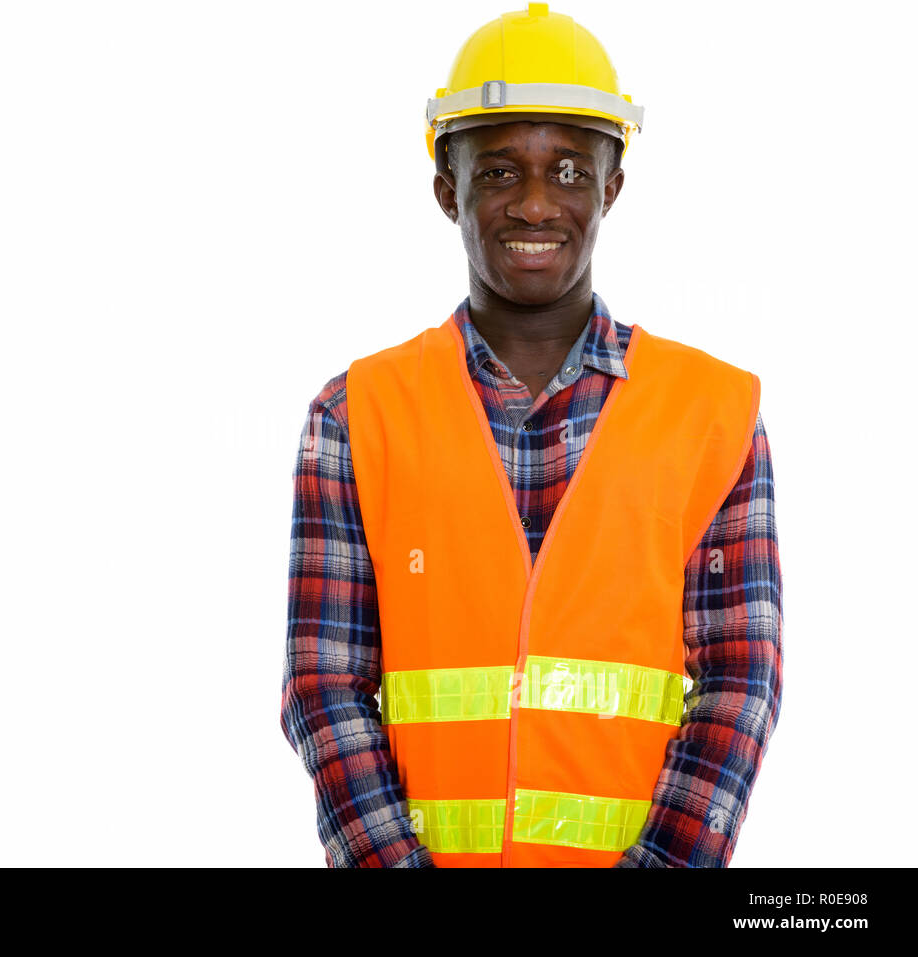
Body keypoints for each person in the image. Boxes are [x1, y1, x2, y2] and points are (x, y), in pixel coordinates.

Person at [279, 3, 783, 867]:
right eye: (502, 171)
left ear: (612, 187)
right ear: (450, 189)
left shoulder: (713, 414)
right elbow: (323, 688)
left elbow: (741, 682)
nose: (538, 204)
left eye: (572, 172)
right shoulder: (355, 415)